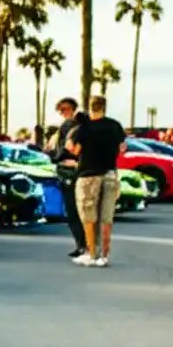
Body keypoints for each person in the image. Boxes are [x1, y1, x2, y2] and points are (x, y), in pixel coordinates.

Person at [69, 95, 126, 267]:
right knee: (106, 217)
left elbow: (75, 149)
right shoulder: (115, 126)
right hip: (110, 174)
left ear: (90, 107)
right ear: (104, 107)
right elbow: (122, 148)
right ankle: (104, 256)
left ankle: (92, 254)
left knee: (89, 217)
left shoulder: (84, 128)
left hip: (88, 176)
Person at [50, 97, 88, 257]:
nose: (62, 112)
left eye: (65, 109)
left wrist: (57, 156)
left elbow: (66, 150)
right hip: (78, 170)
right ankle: (83, 244)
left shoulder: (70, 127)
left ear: (73, 109)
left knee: (73, 210)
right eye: (60, 109)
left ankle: (82, 245)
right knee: (79, 210)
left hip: (70, 171)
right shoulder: (76, 126)